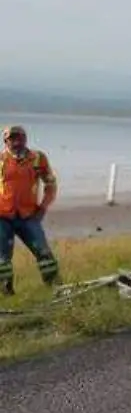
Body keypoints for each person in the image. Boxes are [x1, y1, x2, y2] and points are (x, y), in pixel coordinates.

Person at [0, 125, 61, 295]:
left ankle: (55, 287)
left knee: (43, 252)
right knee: (2, 258)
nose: (16, 141)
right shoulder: (1, 159)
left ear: (25, 139)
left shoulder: (37, 158)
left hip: (28, 215)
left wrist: (43, 207)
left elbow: (50, 184)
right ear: (5, 141)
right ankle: (6, 292)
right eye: (12, 138)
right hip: (3, 216)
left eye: (20, 137)